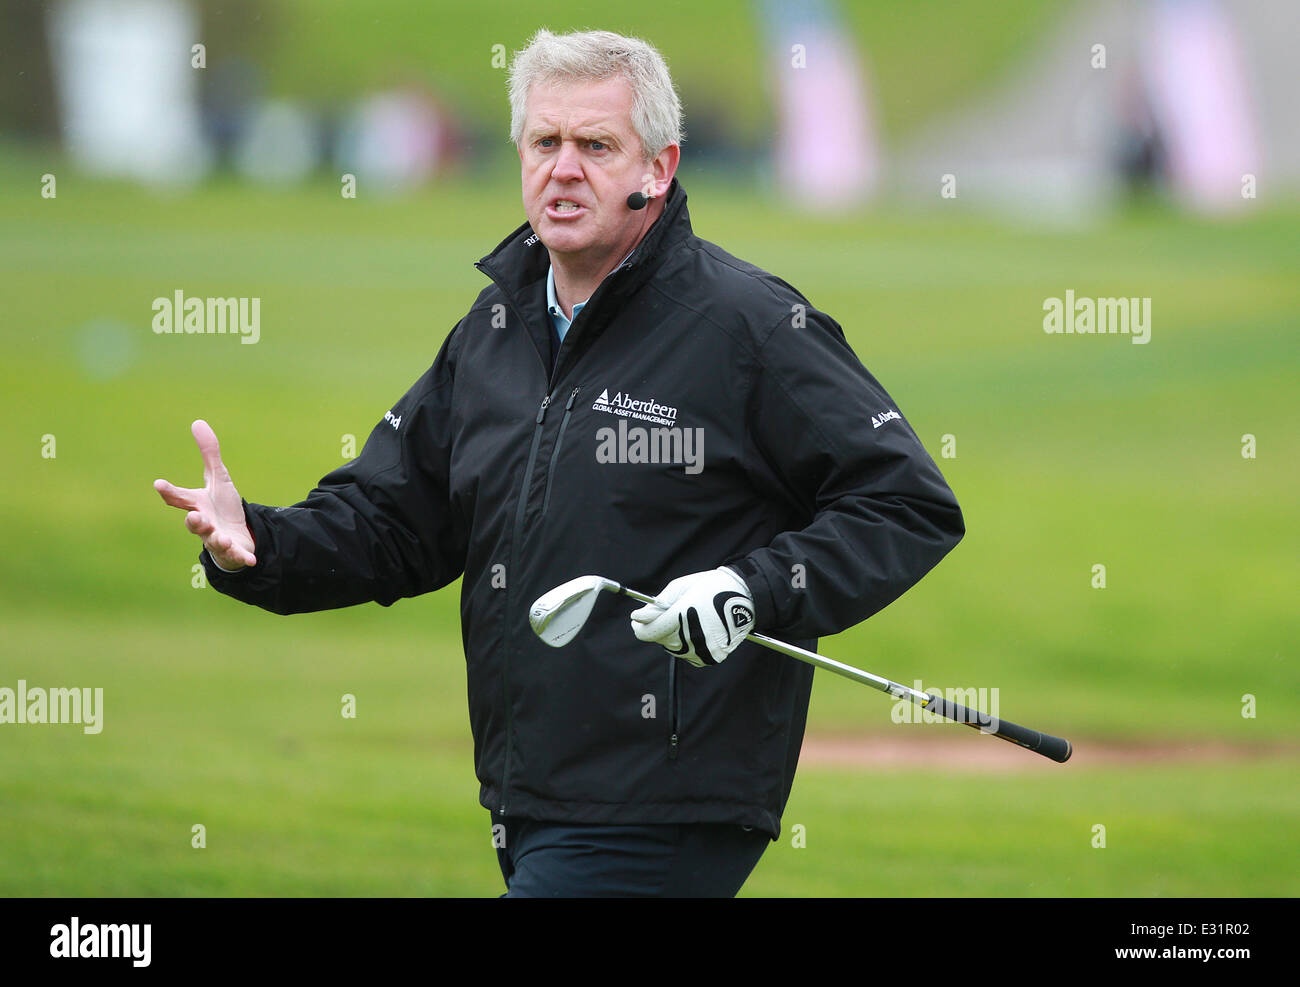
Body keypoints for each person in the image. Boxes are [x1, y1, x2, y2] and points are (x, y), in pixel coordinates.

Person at [153, 28, 964, 897]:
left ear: (658, 166)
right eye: (546, 143)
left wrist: (753, 588)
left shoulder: (749, 327)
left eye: (596, 145)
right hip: (529, 791)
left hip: (669, 799)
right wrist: (262, 543)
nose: (564, 168)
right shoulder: (495, 328)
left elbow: (907, 501)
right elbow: (398, 519)